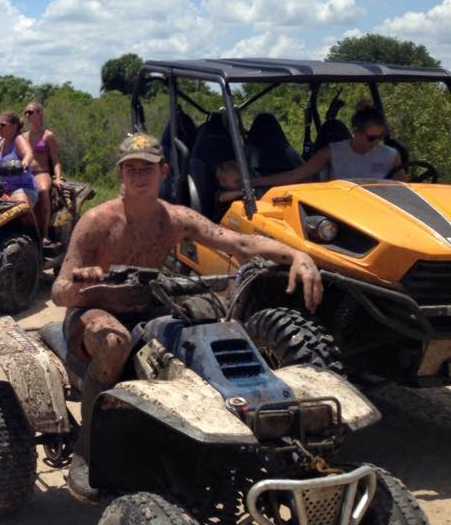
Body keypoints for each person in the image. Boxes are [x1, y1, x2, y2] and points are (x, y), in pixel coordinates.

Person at [51, 132, 324, 503]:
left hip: (147, 309)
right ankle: (87, 449)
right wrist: (82, 283)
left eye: (146, 168)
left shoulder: (175, 218)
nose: (138, 176)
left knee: (207, 333)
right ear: (120, 175)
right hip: (92, 314)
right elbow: (59, 291)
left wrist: (297, 256)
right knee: (116, 342)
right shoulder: (97, 222)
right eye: (130, 169)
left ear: (163, 170)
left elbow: (238, 242)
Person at [252, 102, 405, 187]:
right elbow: (296, 174)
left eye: (381, 137)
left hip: (381, 210)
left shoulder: (391, 155)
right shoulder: (332, 152)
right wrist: (254, 182)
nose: (377, 142)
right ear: (355, 131)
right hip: (340, 210)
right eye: (371, 138)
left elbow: (406, 189)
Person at [24, 101, 64, 243]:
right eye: (26, 112)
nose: (27, 115)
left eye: (31, 112)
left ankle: (45, 232)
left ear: (40, 114)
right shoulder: (23, 137)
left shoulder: (48, 136)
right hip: (27, 172)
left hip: (42, 172)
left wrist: (58, 177)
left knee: (42, 190)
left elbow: (55, 159)